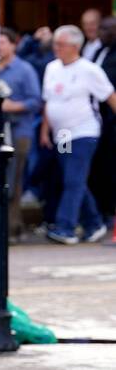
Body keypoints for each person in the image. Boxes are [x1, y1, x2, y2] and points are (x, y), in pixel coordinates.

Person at [40, 25, 116, 244]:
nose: (56, 48)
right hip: (62, 133)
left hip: (84, 131)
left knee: (73, 178)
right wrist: (45, 130)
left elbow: (110, 96)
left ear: (75, 47)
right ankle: (94, 224)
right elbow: (49, 101)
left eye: (60, 45)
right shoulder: (52, 68)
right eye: (55, 43)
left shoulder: (89, 70)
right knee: (72, 179)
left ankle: (66, 227)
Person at [0, 28, 42, 241]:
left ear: (14, 44)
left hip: (19, 132)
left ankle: (13, 229)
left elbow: (36, 101)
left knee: (13, 180)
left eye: (3, 42)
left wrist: (12, 106)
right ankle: (0, 226)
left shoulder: (24, 69)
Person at [87, 17, 116, 221]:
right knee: (96, 168)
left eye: (107, 29)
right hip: (93, 124)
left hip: (111, 122)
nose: (101, 32)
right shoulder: (97, 51)